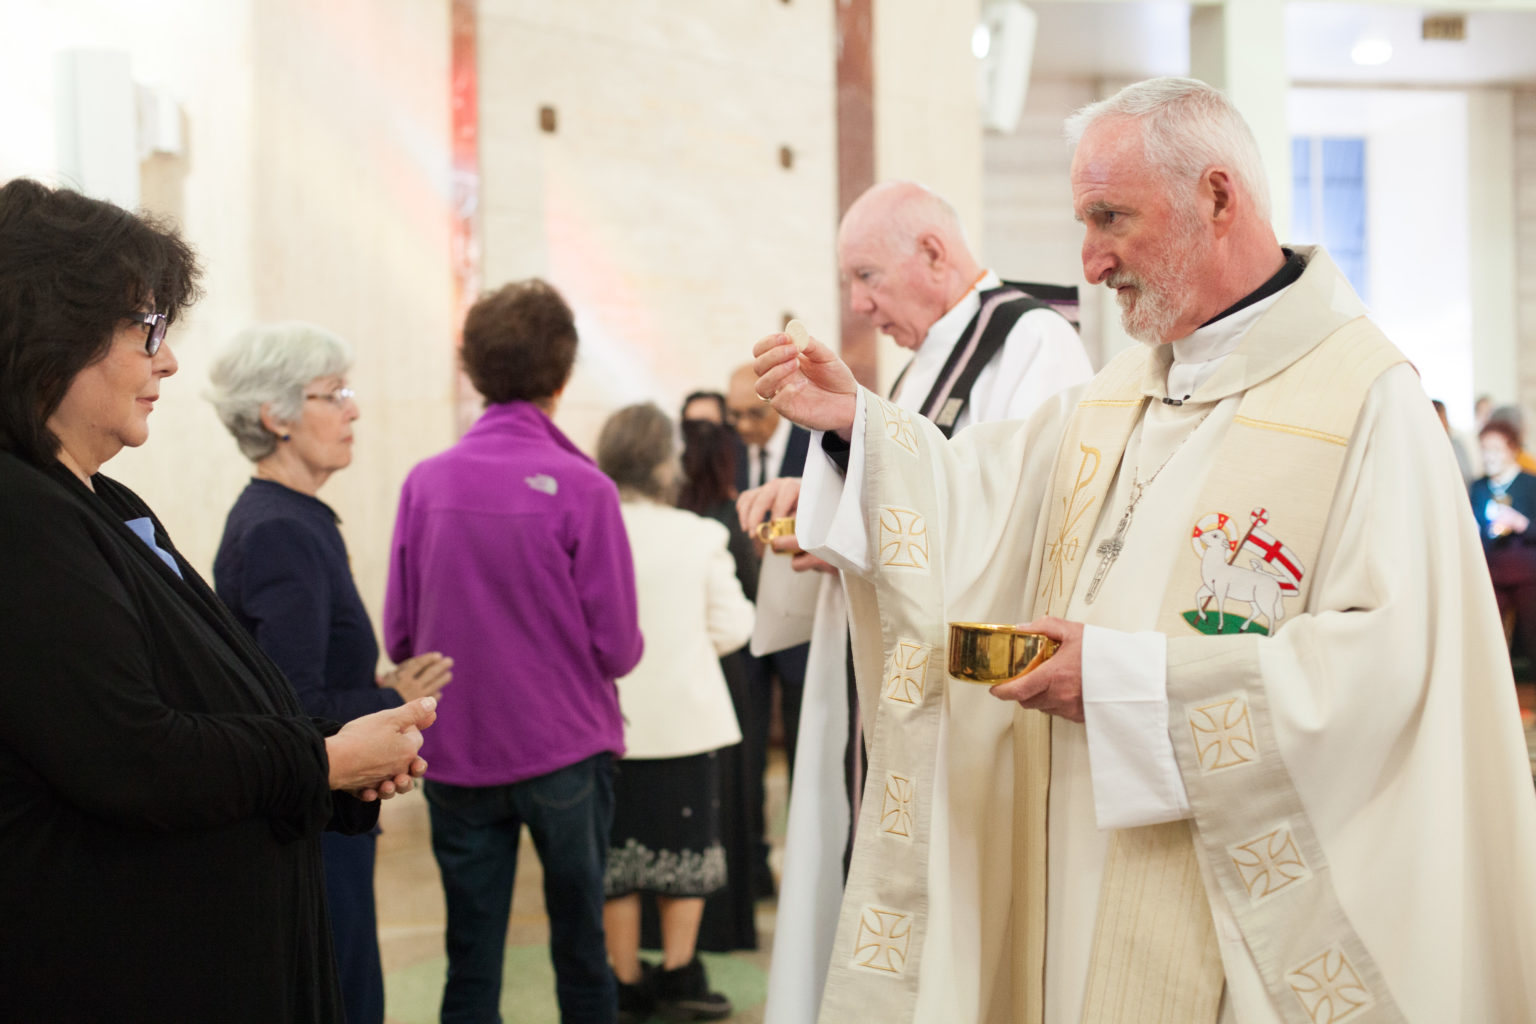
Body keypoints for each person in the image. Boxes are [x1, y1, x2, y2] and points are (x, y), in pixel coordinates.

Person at [746, 78, 1536, 1023]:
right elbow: (979, 497)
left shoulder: (1366, 401)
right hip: (1079, 859)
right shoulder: (1121, 390)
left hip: (1229, 904)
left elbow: (1392, 673)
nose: (1088, 262)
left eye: (1109, 217)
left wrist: (1127, 686)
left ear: (1217, 196)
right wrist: (859, 431)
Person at [0, 179, 437, 1022]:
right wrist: (327, 759)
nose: (166, 361)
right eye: (148, 330)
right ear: (55, 330)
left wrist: (334, 751)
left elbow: (219, 699)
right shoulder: (21, 516)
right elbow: (130, 754)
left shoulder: (104, 504)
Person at [758, 180, 1093, 1023]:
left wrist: (854, 475)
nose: (858, 304)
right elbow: (924, 491)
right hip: (887, 682)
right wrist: (823, 496)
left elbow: (1024, 518)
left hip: (972, 705)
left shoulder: (1033, 340)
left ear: (935, 254)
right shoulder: (929, 358)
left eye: (867, 276)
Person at [384, 278, 643, 1024]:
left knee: (470, 952)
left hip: (457, 748)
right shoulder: (584, 488)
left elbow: (401, 637)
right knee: (580, 947)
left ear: (472, 372)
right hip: (564, 747)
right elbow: (619, 648)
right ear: (562, 376)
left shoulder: (424, 484)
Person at [207, 321, 454, 1024]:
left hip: (325, 812)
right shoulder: (280, 529)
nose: (353, 410)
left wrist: (383, 685)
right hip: (313, 819)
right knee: (340, 995)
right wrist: (390, 695)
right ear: (275, 416)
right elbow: (293, 702)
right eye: (332, 394)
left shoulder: (296, 517)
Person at [596, 403, 754, 1023]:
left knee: (619, 861)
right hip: (688, 721)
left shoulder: (589, 529)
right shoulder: (699, 535)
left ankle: (624, 981)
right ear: (668, 462)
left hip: (609, 725)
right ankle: (681, 975)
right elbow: (735, 627)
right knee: (684, 856)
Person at [725, 362, 811, 898]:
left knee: (806, 744)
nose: (743, 426)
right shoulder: (728, 452)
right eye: (734, 415)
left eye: (753, 415)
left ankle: (803, 862)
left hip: (801, 620)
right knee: (747, 749)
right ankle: (751, 868)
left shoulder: (815, 443)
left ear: (777, 406)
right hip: (740, 620)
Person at [677, 414, 762, 952]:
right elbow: (744, 608)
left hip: (681, 663)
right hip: (726, 665)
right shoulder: (728, 518)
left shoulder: (672, 516)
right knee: (732, 789)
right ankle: (729, 917)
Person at [1471, 419, 1536, 666]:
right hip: (1492, 574)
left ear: (1512, 449)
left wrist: (1521, 523)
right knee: (1488, 639)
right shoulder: (1479, 486)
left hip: (1527, 573)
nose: (1489, 457)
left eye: (1496, 450)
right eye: (1485, 450)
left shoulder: (1531, 483)